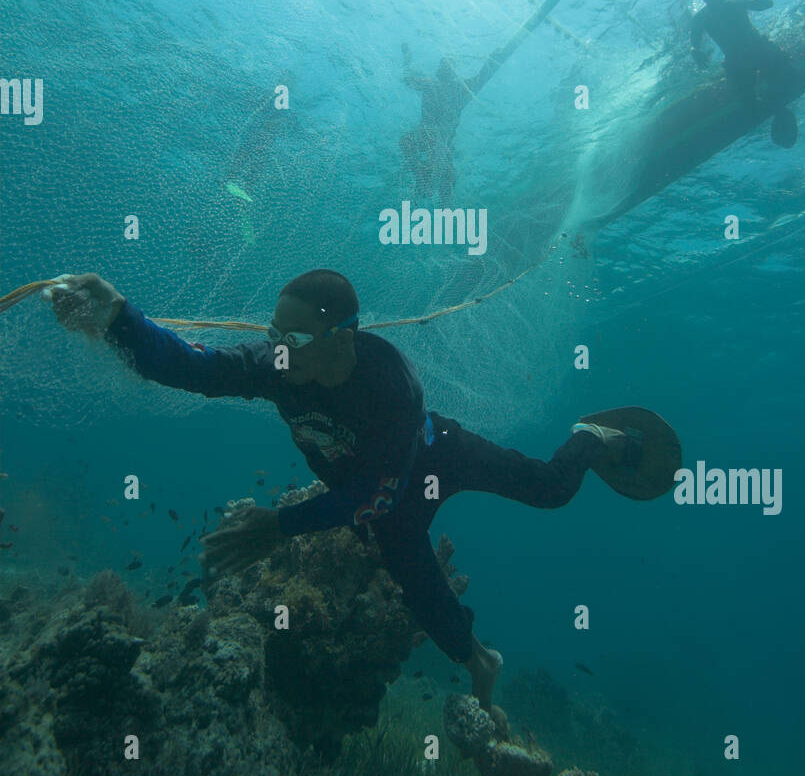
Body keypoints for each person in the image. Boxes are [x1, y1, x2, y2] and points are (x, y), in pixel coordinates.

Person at [45, 269, 678, 712]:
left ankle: (593, 437)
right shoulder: (276, 370)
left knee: (548, 490)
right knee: (421, 592)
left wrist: (278, 526)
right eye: (271, 335)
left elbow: (373, 493)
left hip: (434, 457)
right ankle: (481, 659)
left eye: (290, 340)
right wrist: (118, 317)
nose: (275, 353)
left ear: (342, 337)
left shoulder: (391, 388)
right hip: (381, 499)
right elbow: (193, 369)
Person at [690, 0, 799, 147]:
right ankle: (776, 112)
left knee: (786, 72)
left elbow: (767, 2)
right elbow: (694, 43)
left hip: (758, 47)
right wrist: (695, 52)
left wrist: (741, 4)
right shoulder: (701, 18)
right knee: (746, 102)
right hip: (735, 61)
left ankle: (780, 110)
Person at [400, 50, 480, 202]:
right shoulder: (431, 83)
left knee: (448, 173)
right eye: (443, 64)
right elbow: (408, 79)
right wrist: (407, 59)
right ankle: (422, 177)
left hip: (440, 138)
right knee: (406, 143)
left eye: (447, 65)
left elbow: (482, 77)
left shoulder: (459, 87)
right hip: (429, 134)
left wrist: (493, 59)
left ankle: (441, 202)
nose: (443, 67)